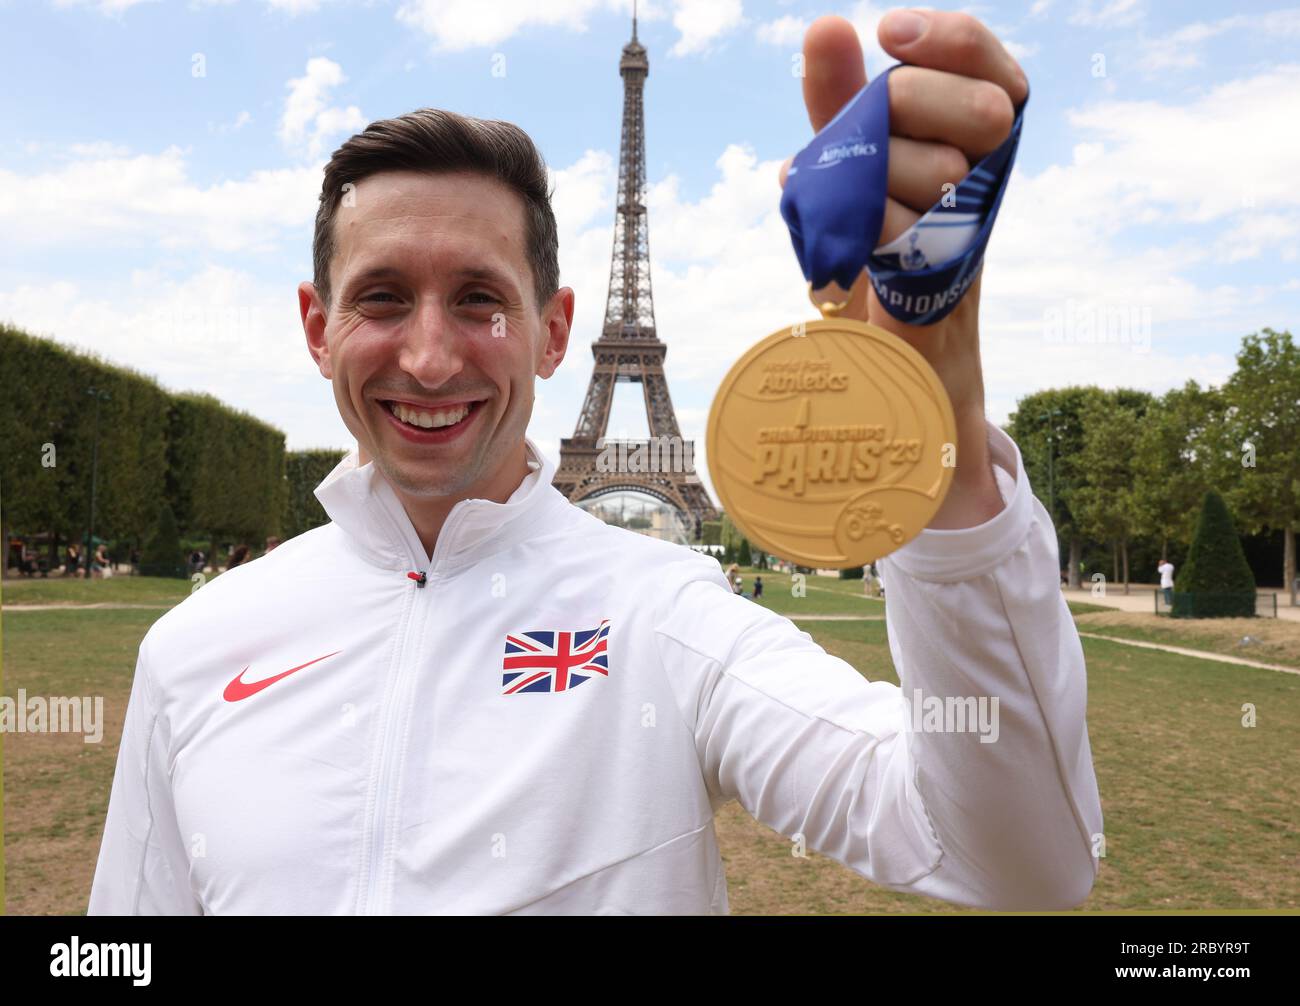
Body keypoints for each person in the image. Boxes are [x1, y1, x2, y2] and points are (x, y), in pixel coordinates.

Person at [89, 10, 1100, 916]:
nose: (430, 357)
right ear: (317, 328)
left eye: (480, 299)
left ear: (555, 329)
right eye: (383, 296)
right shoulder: (190, 654)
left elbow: (1014, 866)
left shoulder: (665, 613)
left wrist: (945, 437)